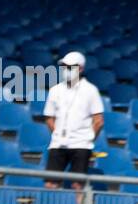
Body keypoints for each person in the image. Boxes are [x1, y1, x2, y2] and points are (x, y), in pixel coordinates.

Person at [43, 51, 104, 191]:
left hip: (81, 145)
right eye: (64, 67)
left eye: (69, 67)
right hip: (58, 144)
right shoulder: (55, 90)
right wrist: (58, 133)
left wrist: (87, 140)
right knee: (50, 184)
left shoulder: (91, 90)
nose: (66, 70)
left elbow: (98, 121)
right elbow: (49, 117)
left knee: (78, 186)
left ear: (80, 69)